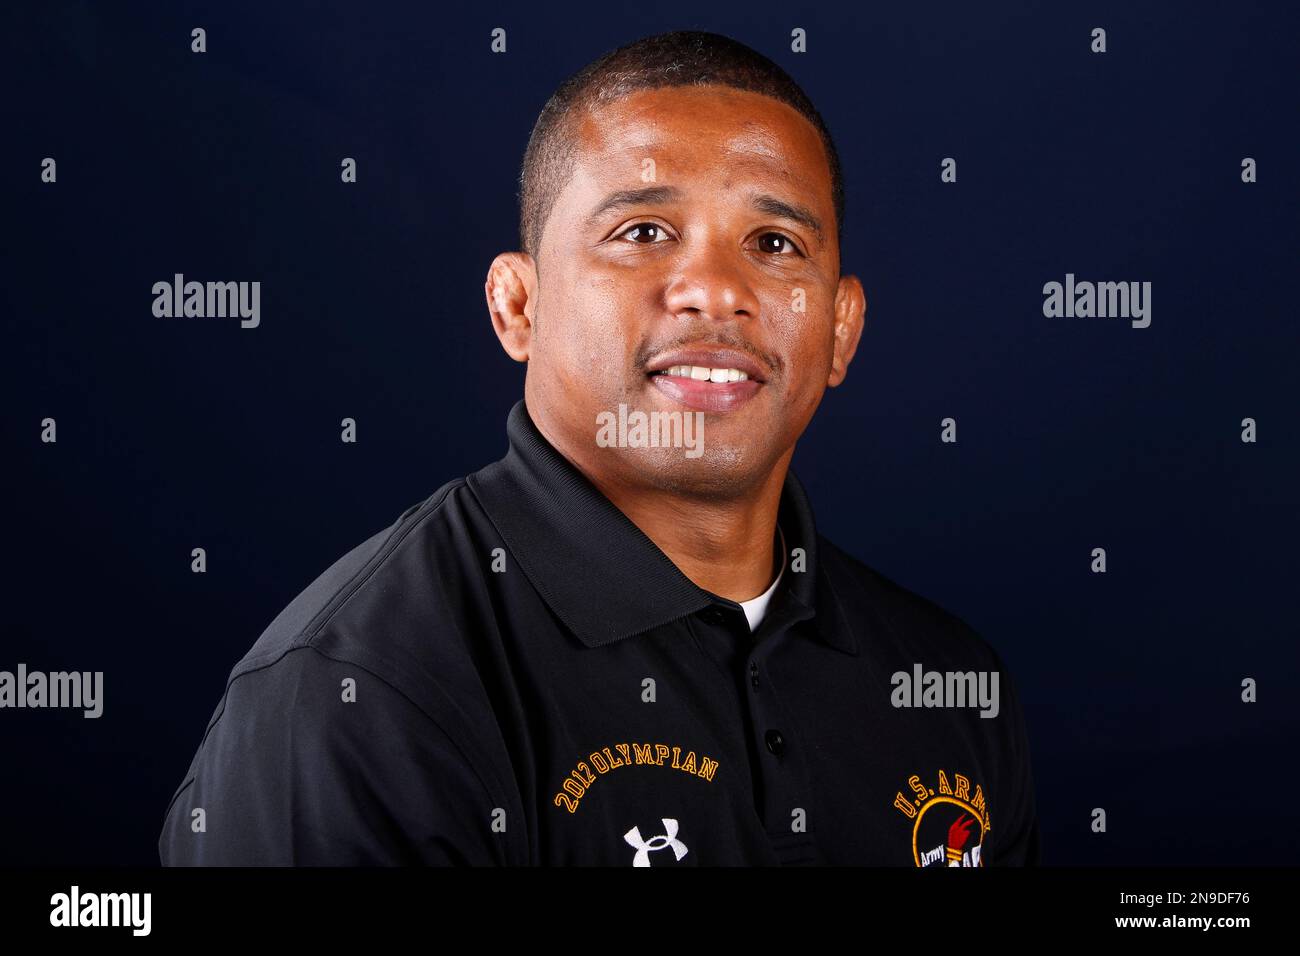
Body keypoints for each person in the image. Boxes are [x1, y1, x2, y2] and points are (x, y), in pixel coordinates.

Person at [159, 29, 1039, 867]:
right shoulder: (359, 694)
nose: (714, 291)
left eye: (774, 244)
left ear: (842, 329)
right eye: (643, 232)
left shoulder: (946, 680)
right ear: (518, 307)